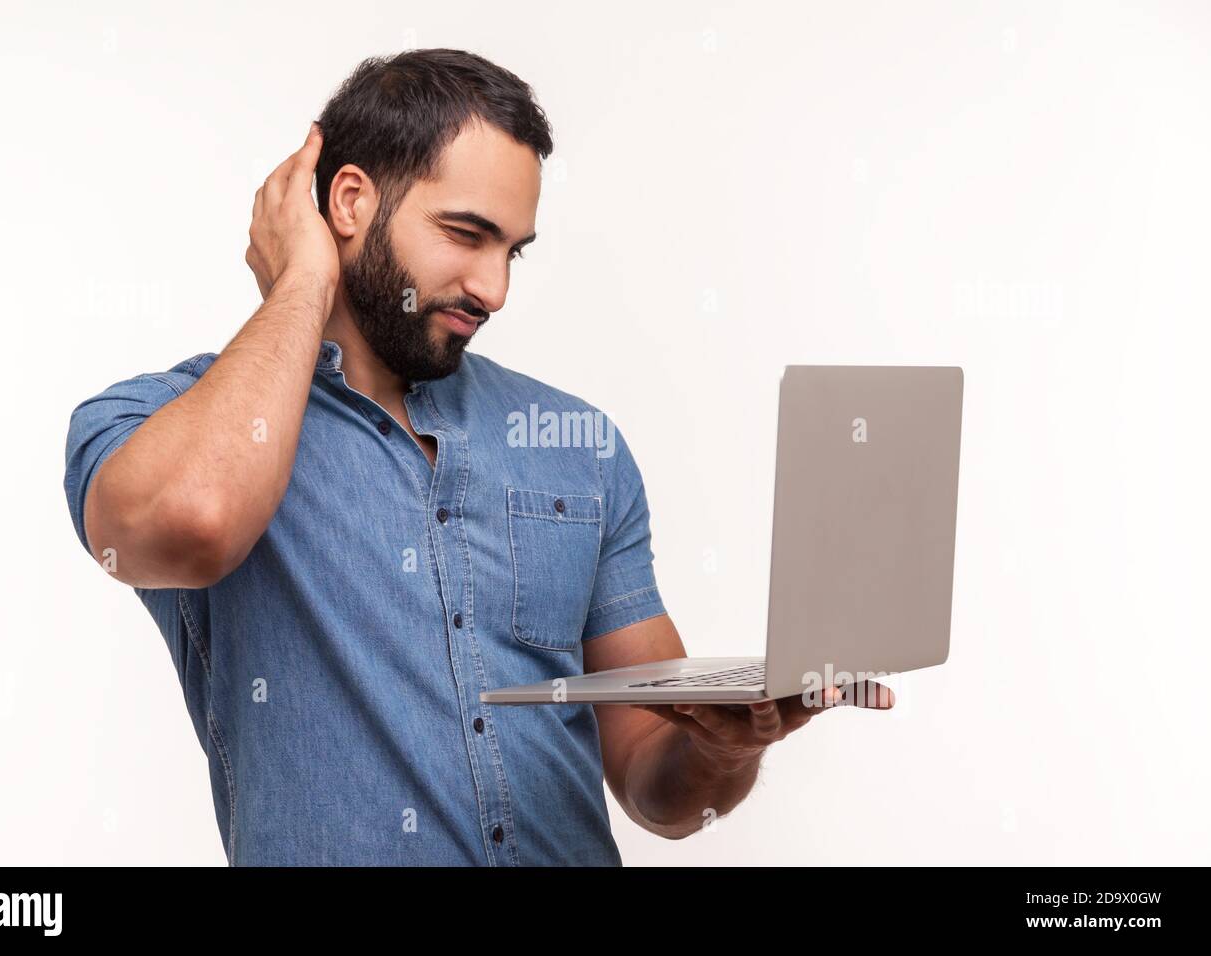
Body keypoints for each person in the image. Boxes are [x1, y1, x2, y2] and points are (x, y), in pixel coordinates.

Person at [62, 48, 890, 866]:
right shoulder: (163, 421)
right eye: (467, 234)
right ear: (348, 201)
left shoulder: (577, 444)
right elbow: (191, 521)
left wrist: (726, 746)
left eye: (513, 251)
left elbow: (657, 787)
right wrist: (302, 282)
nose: (494, 289)